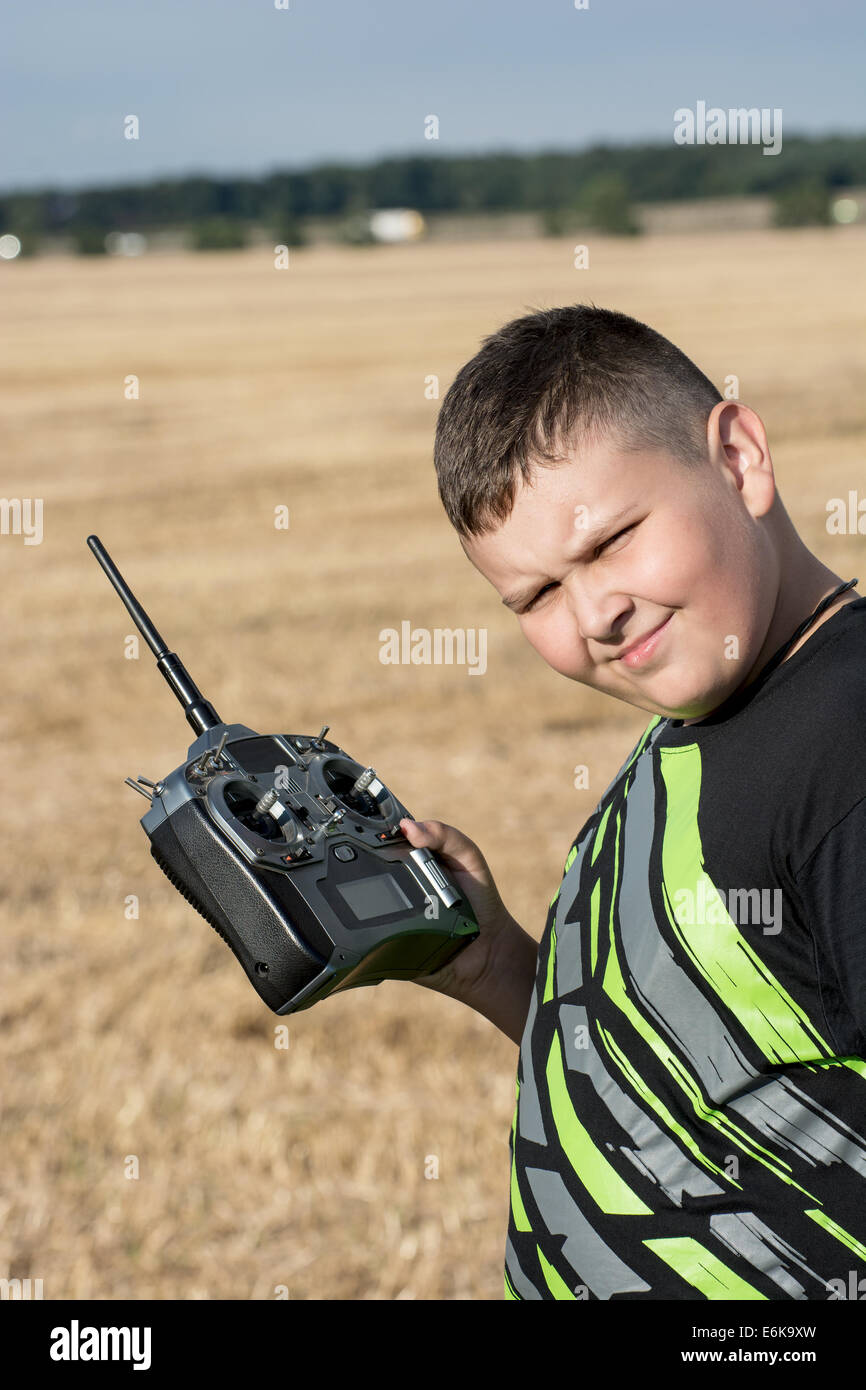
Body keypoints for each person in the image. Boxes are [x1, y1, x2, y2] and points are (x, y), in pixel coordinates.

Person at [398, 303, 866, 1301]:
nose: (593, 614)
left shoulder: (844, 749)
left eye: (610, 541)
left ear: (738, 458)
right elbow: (683, 1078)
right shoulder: (700, 725)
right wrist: (494, 965)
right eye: (534, 598)